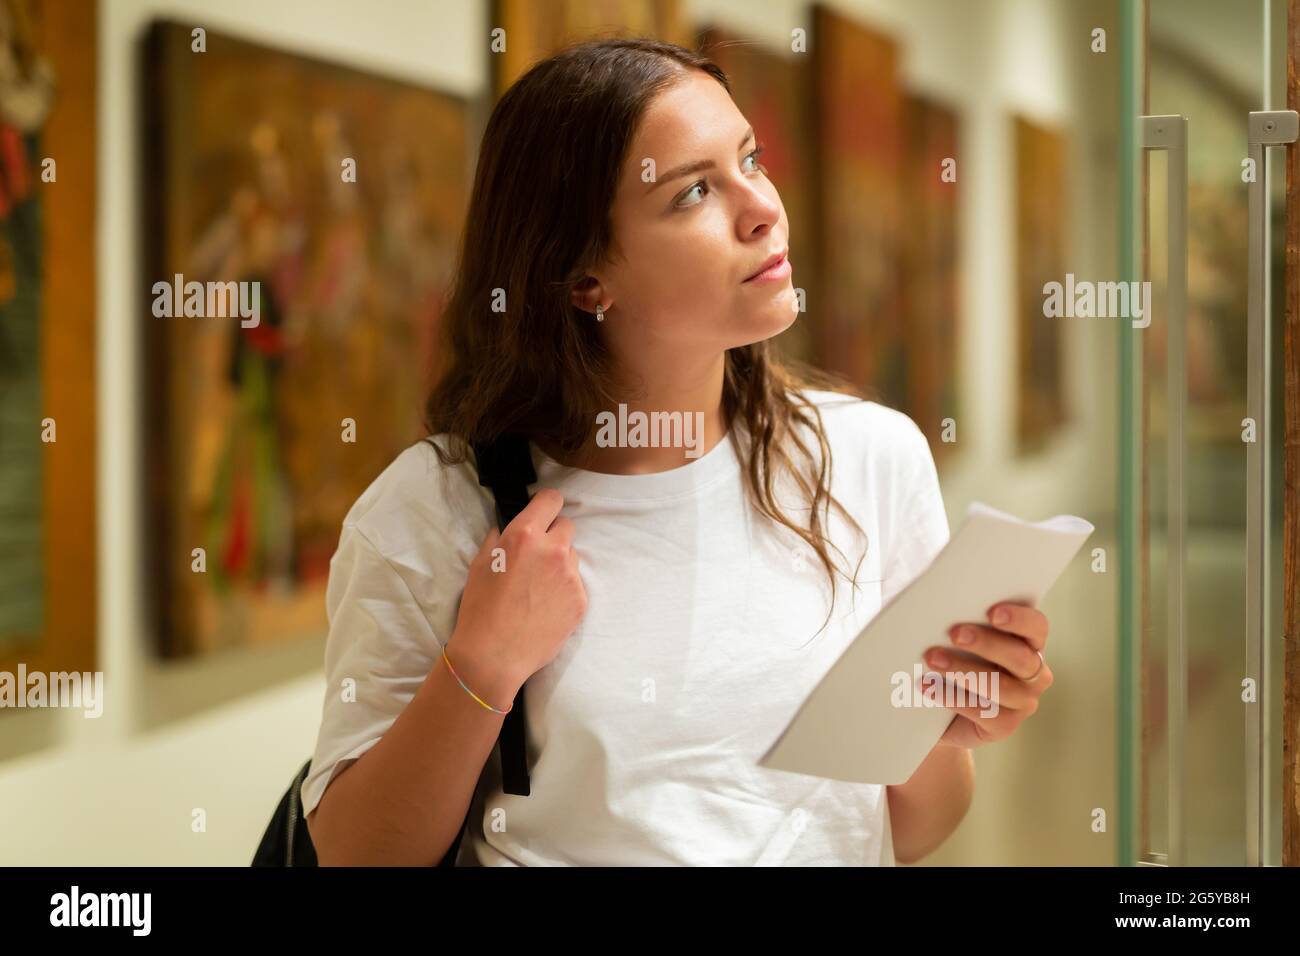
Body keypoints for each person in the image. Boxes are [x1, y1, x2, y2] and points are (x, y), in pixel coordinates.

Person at [302, 37, 1053, 866]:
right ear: (587, 280)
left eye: (751, 159)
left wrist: (941, 723)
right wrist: (481, 664)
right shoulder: (437, 510)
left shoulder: (870, 459)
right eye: (695, 191)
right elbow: (355, 856)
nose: (761, 206)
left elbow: (909, 829)